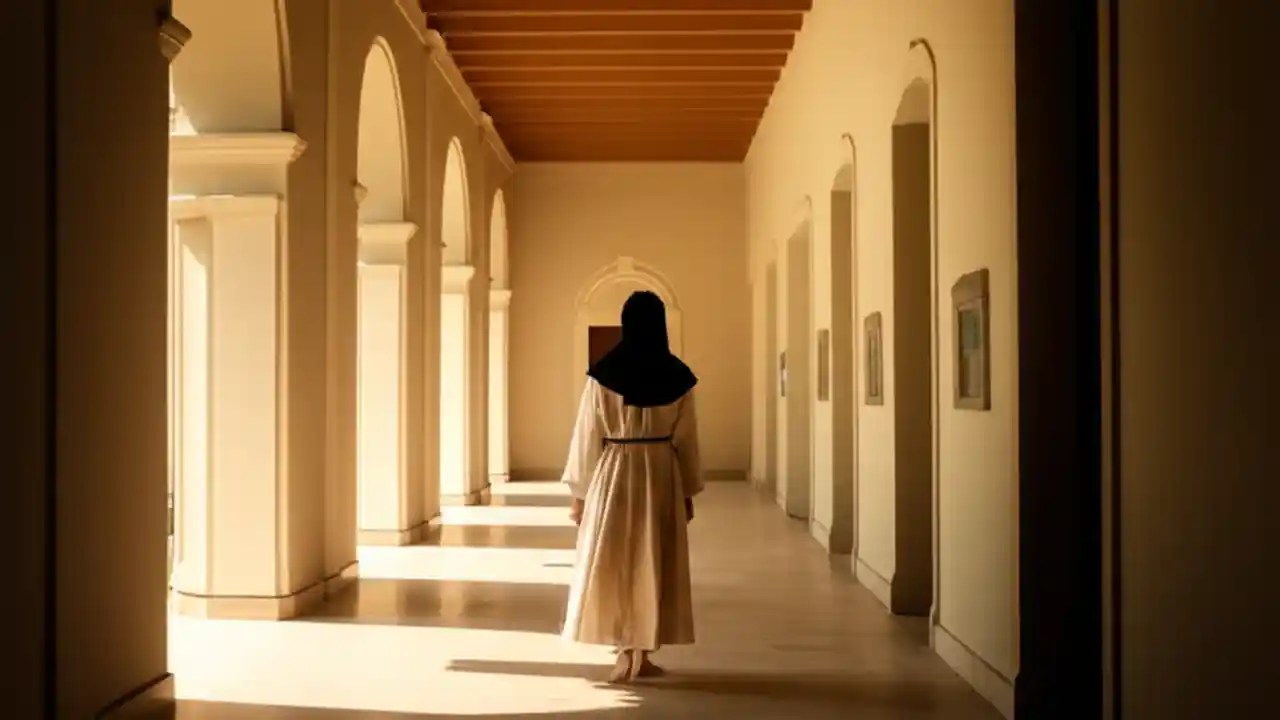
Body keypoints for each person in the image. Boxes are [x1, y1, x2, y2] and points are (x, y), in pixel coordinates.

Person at [560, 290, 703, 684]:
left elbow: (589, 435)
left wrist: (580, 495)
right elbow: (687, 440)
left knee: (619, 558)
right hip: (660, 472)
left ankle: (625, 650)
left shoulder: (603, 376)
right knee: (652, 558)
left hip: (615, 470)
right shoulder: (678, 376)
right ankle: (641, 649)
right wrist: (687, 490)